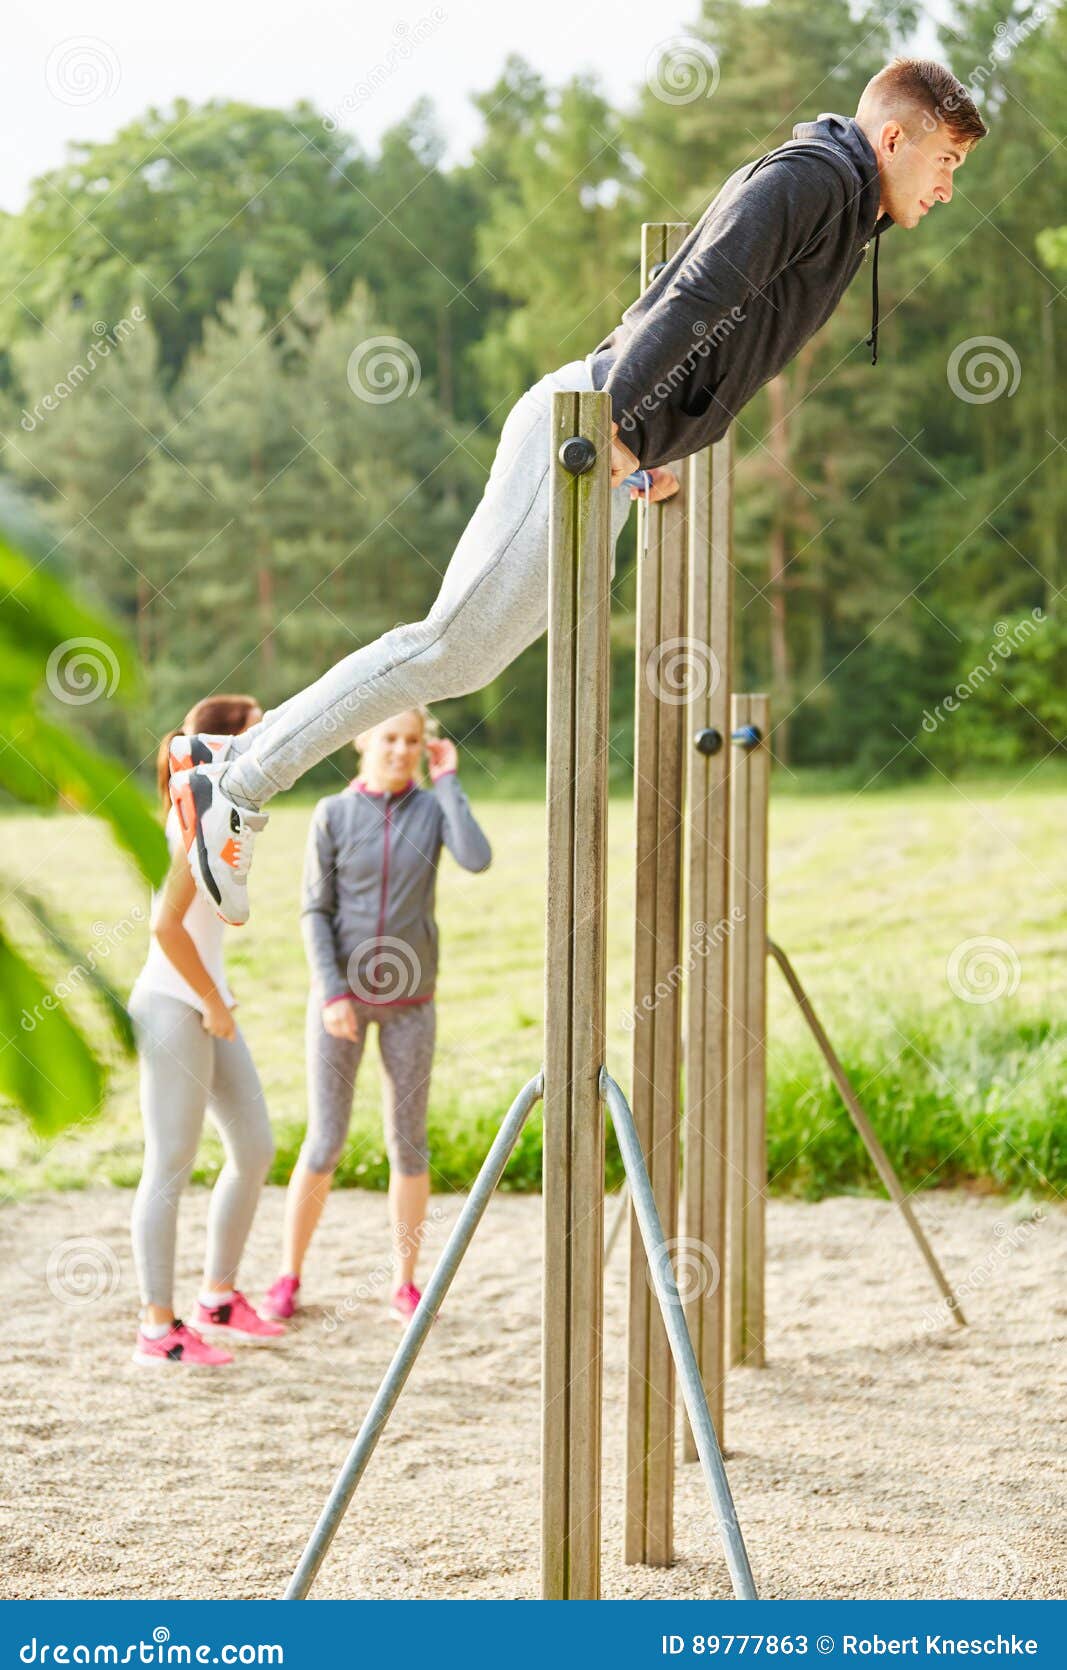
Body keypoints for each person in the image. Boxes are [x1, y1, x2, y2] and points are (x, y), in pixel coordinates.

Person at [168, 58, 987, 924]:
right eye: (945, 164)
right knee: (446, 644)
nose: (945, 189)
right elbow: (701, 288)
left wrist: (661, 437)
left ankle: (231, 766)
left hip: (611, 437)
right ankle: (234, 778)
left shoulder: (842, 209)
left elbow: (711, 321)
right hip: (583, 428)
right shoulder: (811, 179)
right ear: (892, 137)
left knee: (466, 654)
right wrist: (618, 419)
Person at [260, 707, 490, 1325]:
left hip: (413, 1002)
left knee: (408, 1144)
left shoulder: (432, 808)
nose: (400, 750)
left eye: (413, 741)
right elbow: (314, 911)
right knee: (326, 1140)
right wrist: (333, 992)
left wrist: (447, 782)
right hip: (341, 1000)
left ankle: (405, 1284)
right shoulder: (332, 814)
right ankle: (288, 1275)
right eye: (390, 738)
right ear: (364, 739)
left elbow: (476, 857)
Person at [128, 694, 287, 1366]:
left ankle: (217, 1299)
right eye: (258, 731)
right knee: (169, 1165)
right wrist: (209, 1001)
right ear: (225, 747)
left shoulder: (221, 815)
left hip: (205, 1001)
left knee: (253, 1148)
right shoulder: (190, 824)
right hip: (172, 1004)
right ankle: (157, 1330)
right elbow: (165, 927)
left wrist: (217, 996)